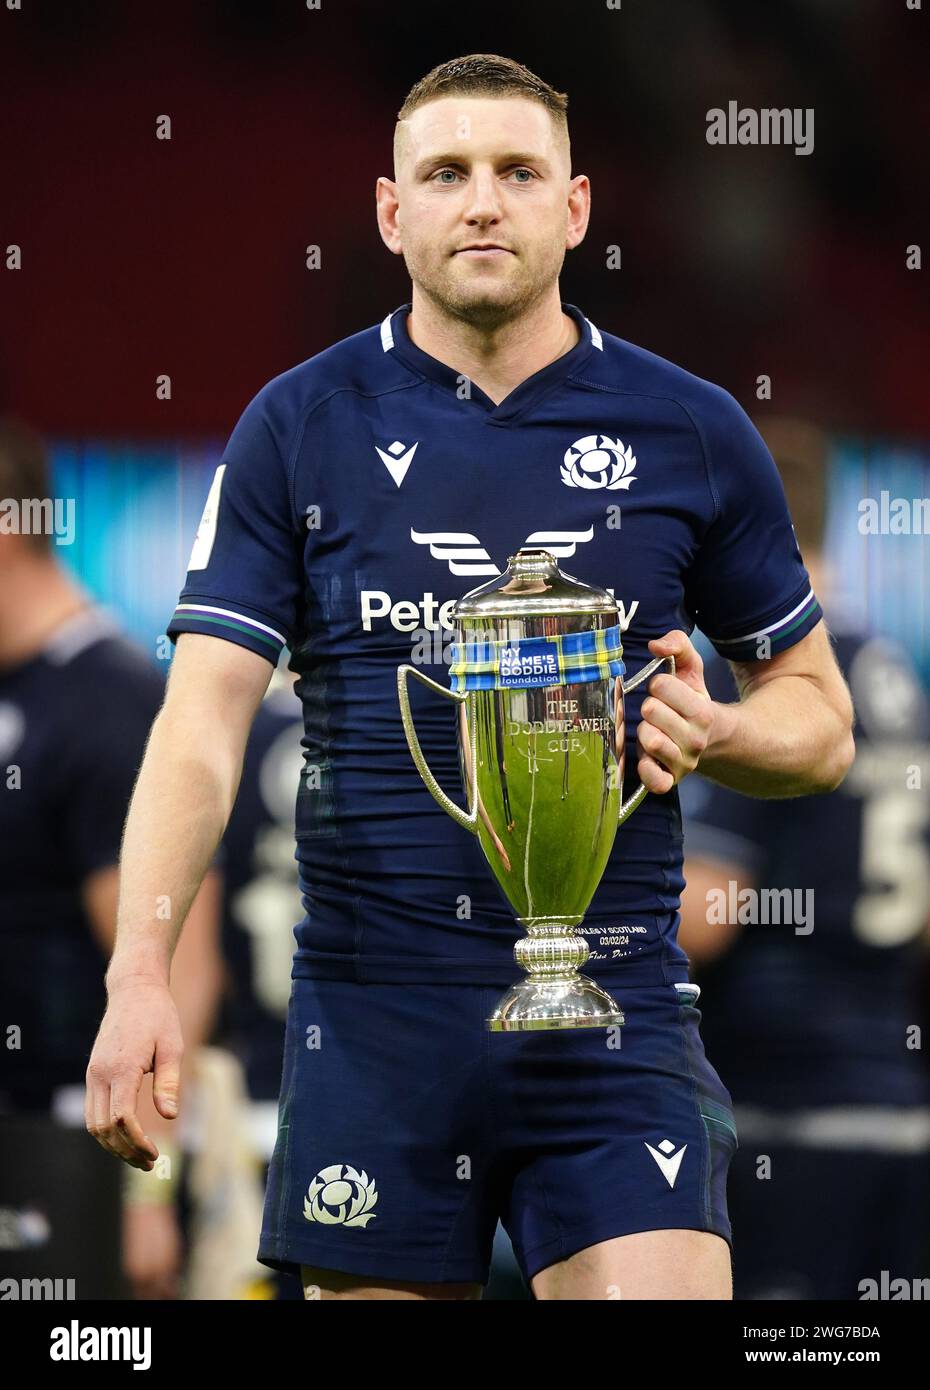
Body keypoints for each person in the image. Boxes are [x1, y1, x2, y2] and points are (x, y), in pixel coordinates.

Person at [86, 54, 855, 1301]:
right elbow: (202, 724)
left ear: (578, 207)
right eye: (446, 174)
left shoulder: (695, 427)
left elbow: (824, 726)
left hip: (617, 1010)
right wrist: (140, 974)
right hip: (372, 1018)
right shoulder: (297, 424)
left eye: (517, 172)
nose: (483, 203)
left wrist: (712, 729)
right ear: (394, 213)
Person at [677, 418, 930, 1299]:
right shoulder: (894, 672)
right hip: (896, 1102)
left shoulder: (765, 690)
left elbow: (709, 909)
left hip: (781, 1104)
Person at [0, 417, 221, 1299]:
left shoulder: (110, 704)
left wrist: (147, 1192)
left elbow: (183, 971)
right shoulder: (19, 688)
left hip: (74, 1151)